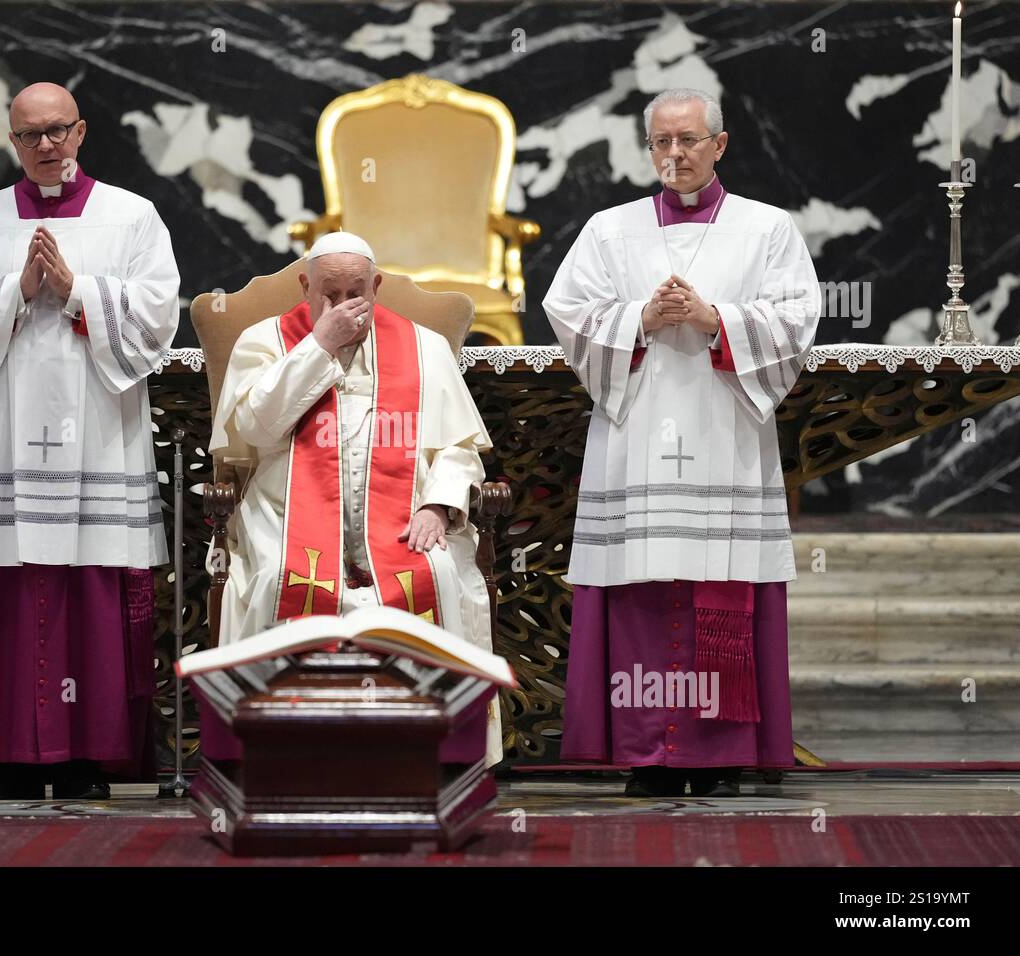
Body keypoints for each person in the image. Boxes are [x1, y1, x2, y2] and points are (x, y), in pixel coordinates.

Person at [543, 88, 821, 797]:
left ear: (720, 145)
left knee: (719, 588)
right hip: (637, 437)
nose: (676, 154)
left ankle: (720, 752)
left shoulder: (767, 229)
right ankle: (646, 752)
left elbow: (796, 318)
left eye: (690, 140)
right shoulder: (610, 229)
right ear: (648, 148)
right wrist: (638, 317)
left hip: (724, 433)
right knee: (640, 592)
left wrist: (714, 318)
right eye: (662, 142)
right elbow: (568, 310)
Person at [0, 82, 180, 800]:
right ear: (12, 142)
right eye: (30, 135)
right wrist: (13, 289)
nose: (45, 146)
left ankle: (88, 757)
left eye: (58, 131)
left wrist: (76, 291)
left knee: (92, 588)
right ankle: (2, 757)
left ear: (82, 131)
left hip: (99, 434)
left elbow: (159, 316)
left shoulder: (133, 217)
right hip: (4, 435)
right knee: (5, 586)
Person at [208, 232, 503, 767]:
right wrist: (318, 345)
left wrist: (438, 506)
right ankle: (284, 756)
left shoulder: (422, 347)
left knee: (431, 575)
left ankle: (431, 758)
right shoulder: (265, 341)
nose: (343, 305)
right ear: (304, 285)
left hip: (404, 519)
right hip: (285, 515)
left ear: (377, 286)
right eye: (328, 292)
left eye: (355, 292)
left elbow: (459, 450)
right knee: (278, 578)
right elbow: (256, 427)